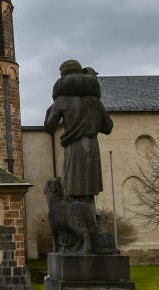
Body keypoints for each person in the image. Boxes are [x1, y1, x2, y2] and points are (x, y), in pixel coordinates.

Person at [44, 60, 113, 210]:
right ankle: (92, 219)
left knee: (73, 190)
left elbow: (49, 127)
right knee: (89, 191)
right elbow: (108, 127)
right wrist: (90, 123)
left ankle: (78, 221)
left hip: (74, 148)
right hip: (92, 146)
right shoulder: (95, 102)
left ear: (63, 75)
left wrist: (51, 109)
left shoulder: (61, 101)